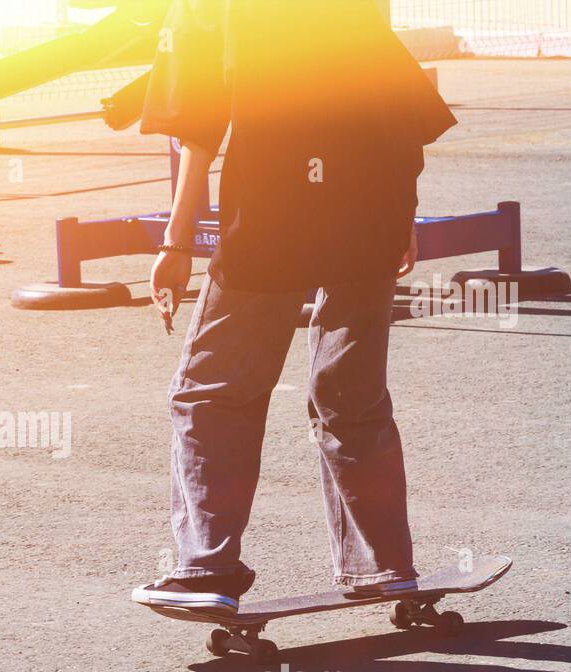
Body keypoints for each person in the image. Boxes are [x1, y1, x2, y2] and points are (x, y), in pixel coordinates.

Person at [132, 0, 458, 617]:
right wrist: (403, 211)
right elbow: (397, 99)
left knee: (215, 391)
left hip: (274, 216)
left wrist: (176, 242)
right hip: (370, 208)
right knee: (351, 395)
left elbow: (199, 123)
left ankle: (207, 567)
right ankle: (383, 565)